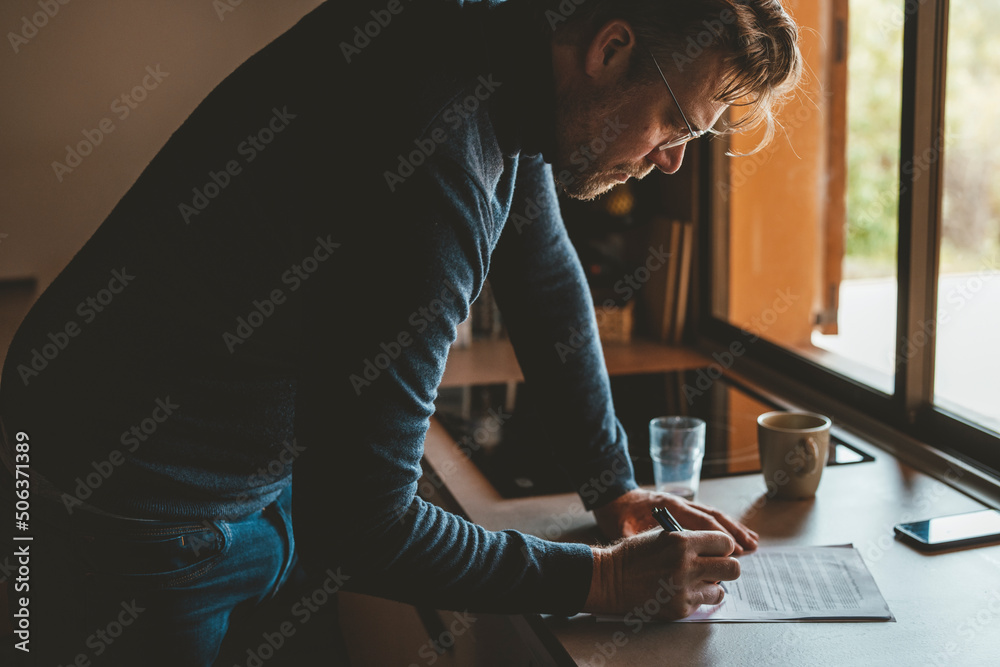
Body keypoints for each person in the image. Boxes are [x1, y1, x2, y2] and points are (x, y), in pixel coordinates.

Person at [0, 0, 801, 664]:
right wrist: (605, 582)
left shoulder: (503, 53)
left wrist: (614, 486)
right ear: (611, 48)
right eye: (676, 124)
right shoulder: (433, 148)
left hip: (250, 486)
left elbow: (545, 273)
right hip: (119, 512)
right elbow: (362, 522)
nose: (671, 163)